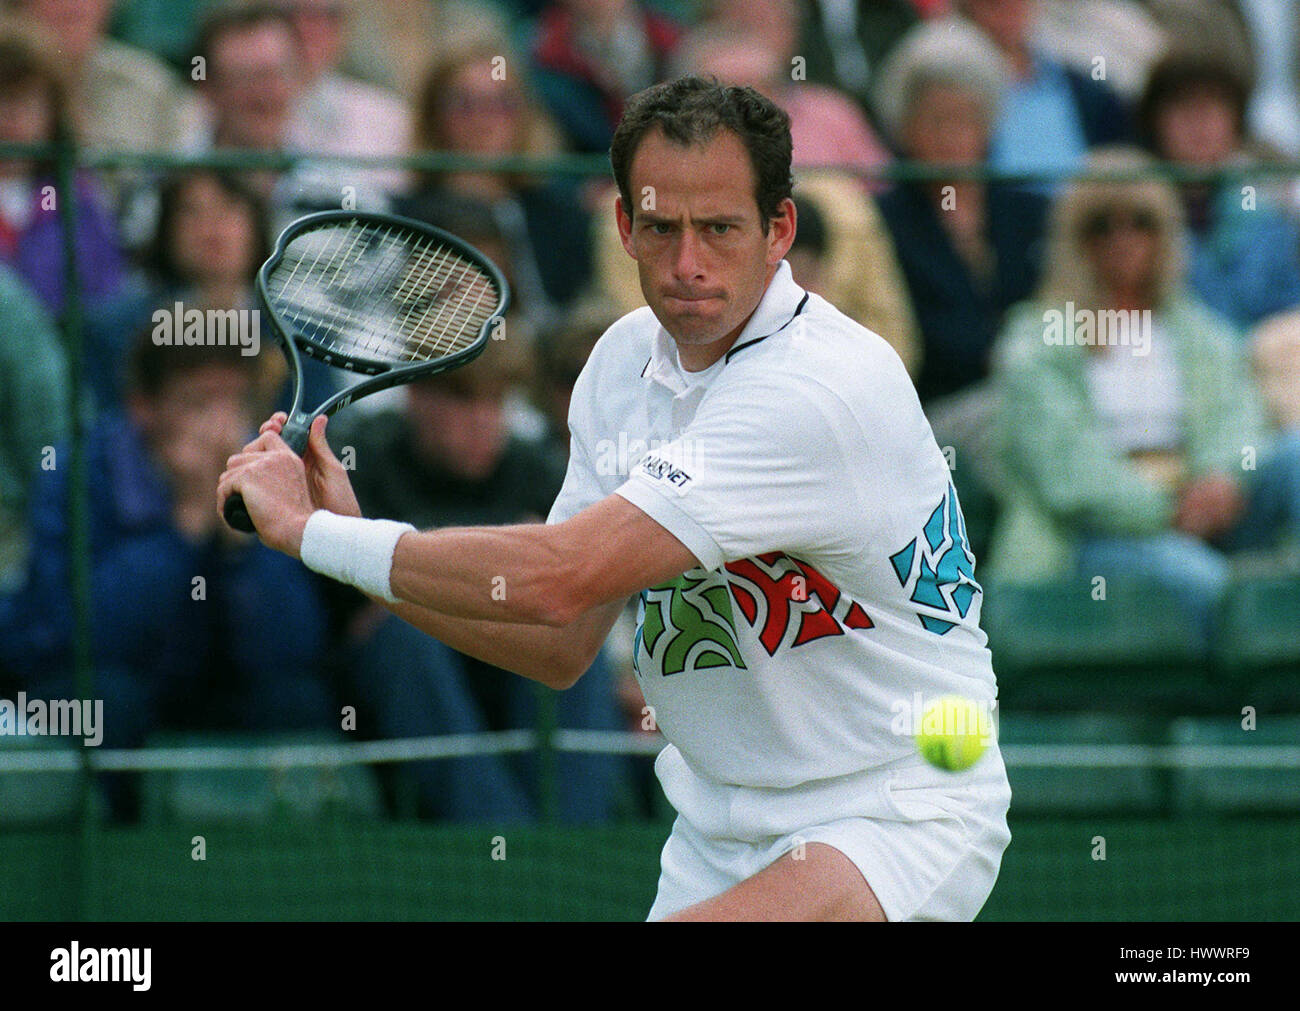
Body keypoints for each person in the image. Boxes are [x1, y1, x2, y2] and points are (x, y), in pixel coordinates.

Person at [219, 76, 1012, 921]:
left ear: (779, 229)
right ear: (624, 226)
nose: (688, 264)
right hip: (717, 822)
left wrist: (317, 535)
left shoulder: (820, 389)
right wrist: (357, 548)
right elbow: (560, 637)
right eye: (662, 228)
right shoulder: (621, 364)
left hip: (893, 807)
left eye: (720, 229)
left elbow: (560, 575)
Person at [10, 331, 337, 821]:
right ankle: (118, 871)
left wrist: (240, 539)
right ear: (144, 407)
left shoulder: (273, 477)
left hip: (211, 682)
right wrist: (184, 522)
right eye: (199, 403)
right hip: (99, 681)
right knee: (109, 702)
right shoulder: (80, 473)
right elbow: (78, 636)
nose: (222, 426)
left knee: (297, 702)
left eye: (236, 403)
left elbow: (292, 647)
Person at [985, 147, 1300, 643]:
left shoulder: (1197, 329)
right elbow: (1067, 472)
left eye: (1141, 222)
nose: (1123, 239)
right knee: (1203, 581)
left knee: (1295, 457)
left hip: (1206, 500)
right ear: (1075, 239)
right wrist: (1169, 508)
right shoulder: (1036, 338)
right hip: (1096, 534)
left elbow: (1240, 417)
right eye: (1101, 225)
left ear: (1165, 234)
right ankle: (1232, 709)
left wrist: (1223, 479)